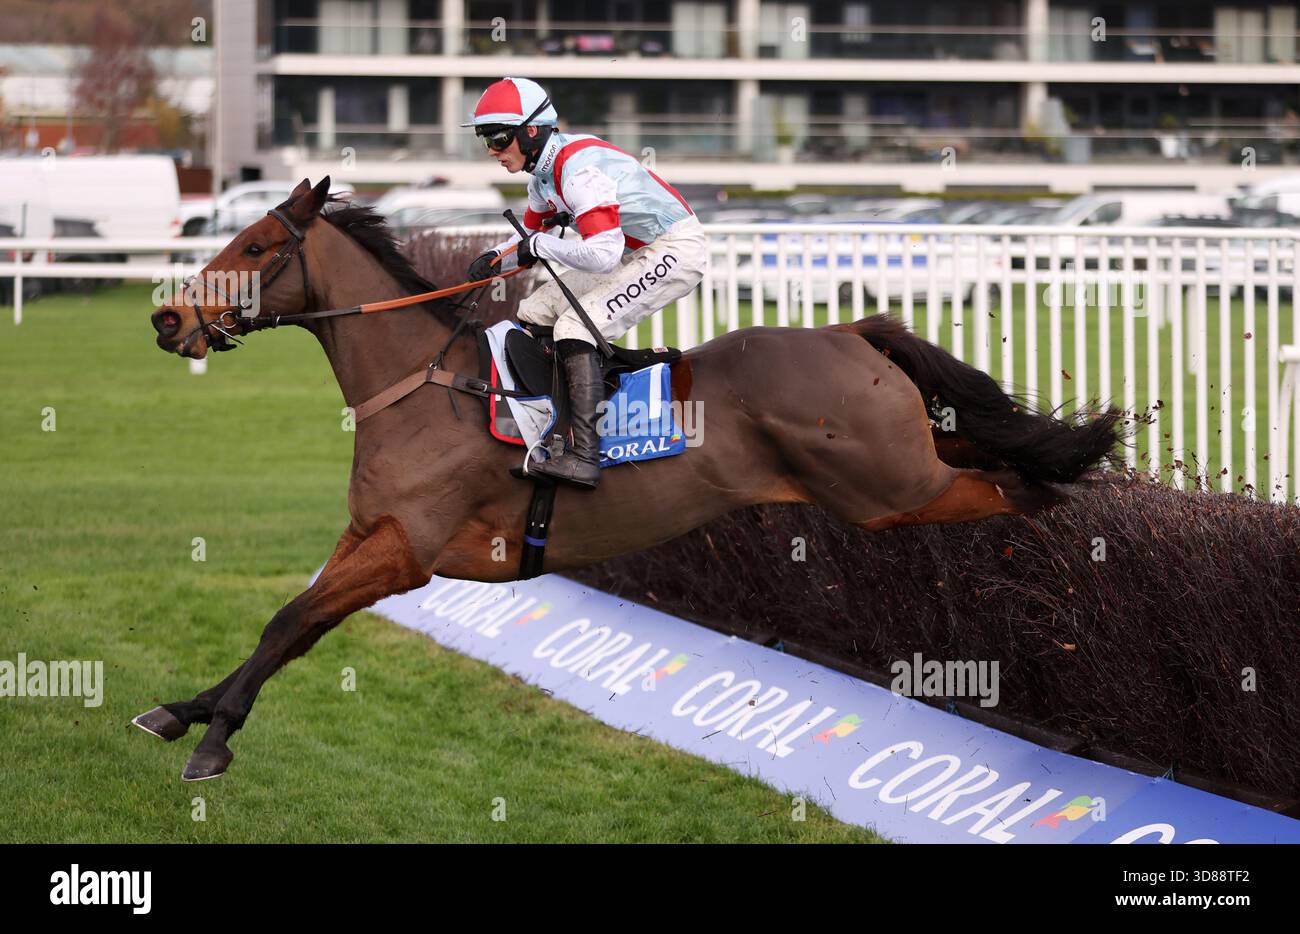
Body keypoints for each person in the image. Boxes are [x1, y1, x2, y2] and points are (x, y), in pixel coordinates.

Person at [464, 77, 707, 489]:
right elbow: (529, 236)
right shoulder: (541, 176)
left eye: (499, 138)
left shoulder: (579, 173)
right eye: (485, 138)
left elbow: (602, 256)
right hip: (634, 250)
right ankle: (559, 418)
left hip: (674, 249)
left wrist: (538, 245)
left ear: (532, 131)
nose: (491, 150)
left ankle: (584, 456)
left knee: (574, 327)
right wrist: (496, 255)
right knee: (535, 311)